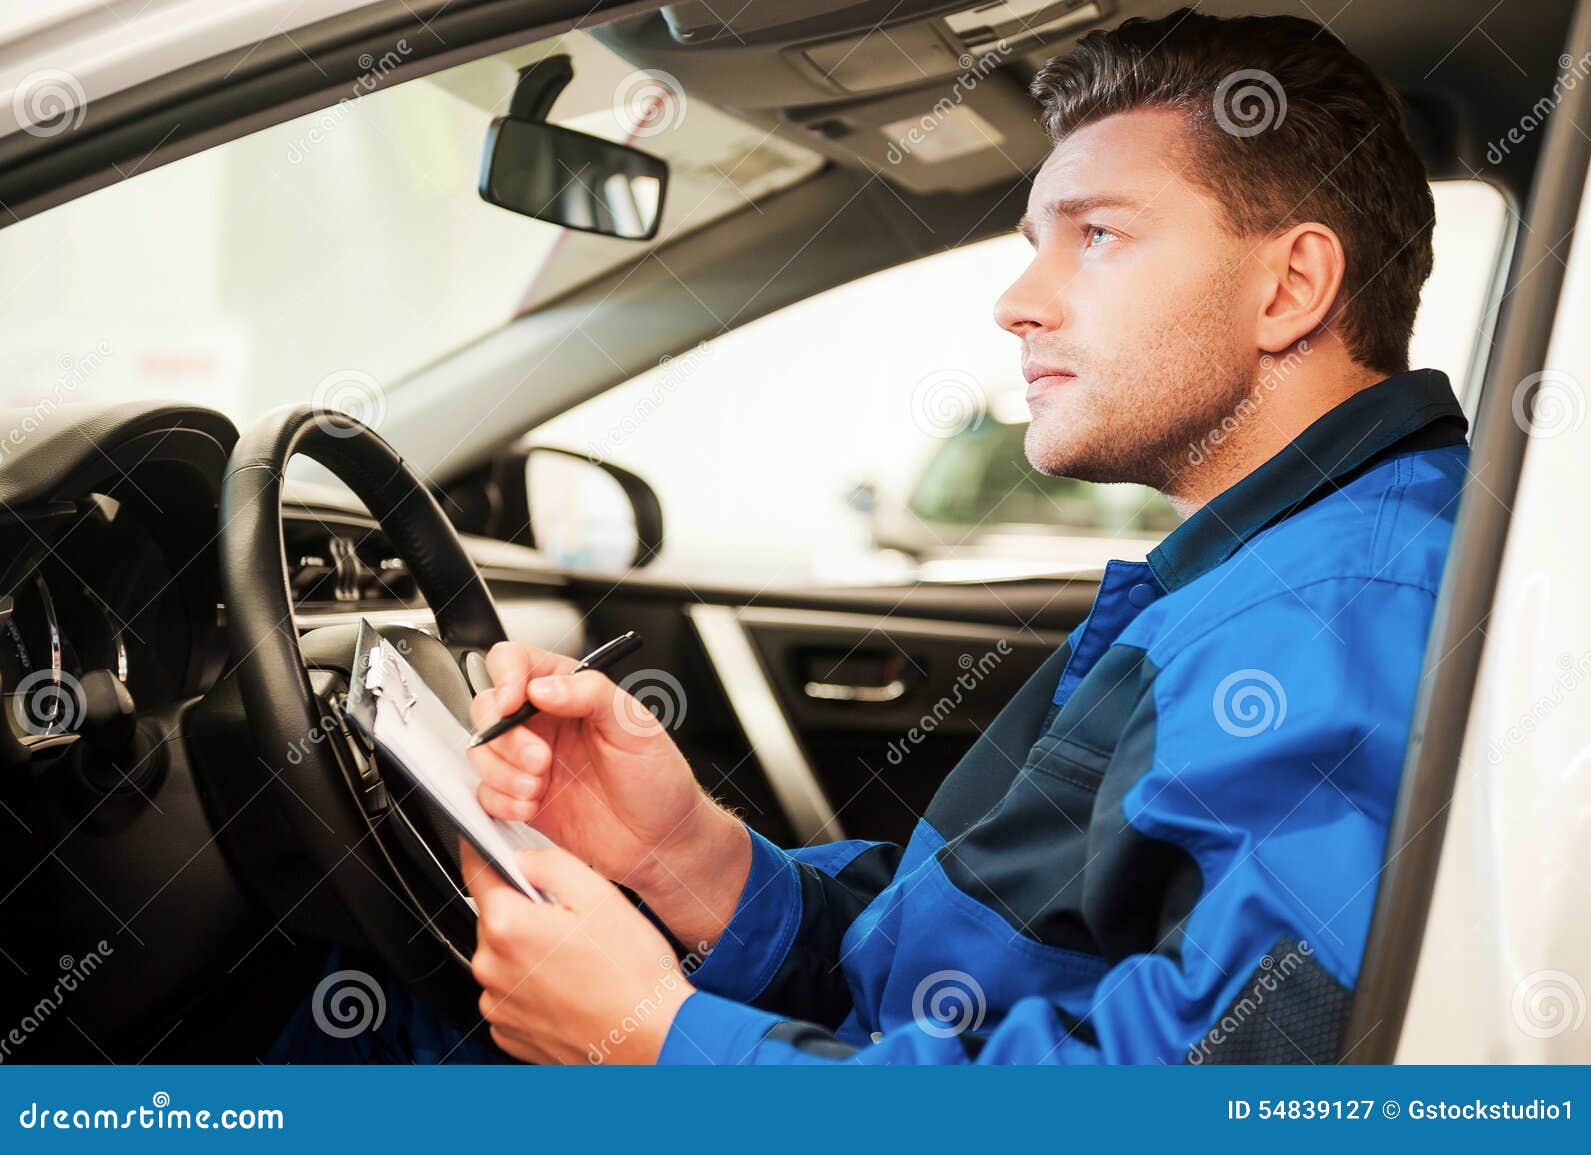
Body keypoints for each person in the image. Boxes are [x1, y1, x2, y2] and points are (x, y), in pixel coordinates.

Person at [274, 6, 1467, 1065]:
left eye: (1095, 235)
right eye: (1031, 245)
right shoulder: (1259, 573)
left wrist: (656, 1043)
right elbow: (968, 989)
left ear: (1290, 287)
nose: (1018, 301)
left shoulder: (1342, 613)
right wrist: (692, 858)